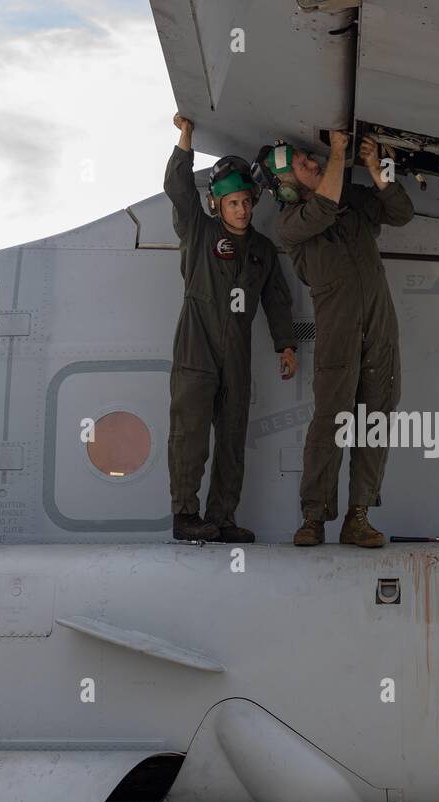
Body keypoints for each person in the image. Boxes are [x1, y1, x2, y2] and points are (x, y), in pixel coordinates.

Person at [258, 131, 414, 547]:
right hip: (338, 330)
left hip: (380, 326)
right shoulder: (290, 224)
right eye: (301, 162)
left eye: (312, 157)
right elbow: (323, 205)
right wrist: (340, 153)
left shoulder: (353, 202)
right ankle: (313, 517)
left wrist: (380, 177)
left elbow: (401, 213)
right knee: (332, 420)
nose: (312, 161)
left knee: (375, 420)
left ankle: (358, 517)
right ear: (285, 185)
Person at [165, 113, 298, 543]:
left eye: (245, 201)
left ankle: (221, 517)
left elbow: (277, 298)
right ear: (216, 205)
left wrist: (286, 345)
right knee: (190, 432)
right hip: (196, 346)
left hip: (237, 350)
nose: (241, 210)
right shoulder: (198, 232)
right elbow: (178, 190)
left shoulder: (261, 249)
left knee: (232, 436)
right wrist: (185, 140)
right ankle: (186, 515)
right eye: (232, 203)